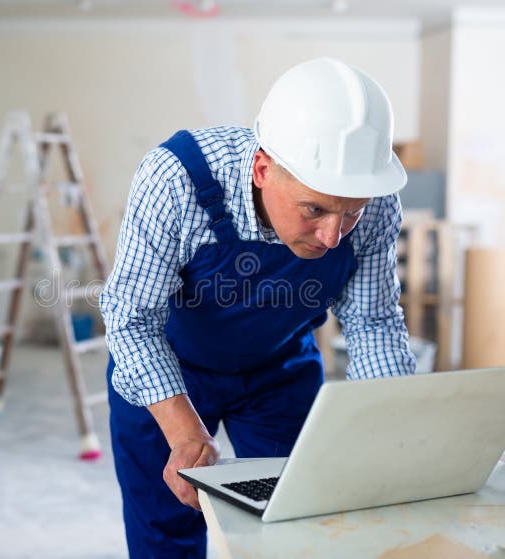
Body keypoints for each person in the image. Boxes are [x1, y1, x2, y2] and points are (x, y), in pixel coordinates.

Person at [99, 57, 417, 558]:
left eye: (349, 213)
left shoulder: (375, 203)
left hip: (278, 373)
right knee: (167, 528)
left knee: (295, 524)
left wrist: (394, 428)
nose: (333, 236)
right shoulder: (177, 179)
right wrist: (184, 433)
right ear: (263, 168)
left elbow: (372, 320)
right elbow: (131, 317)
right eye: (314, 209)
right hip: (170, 371)